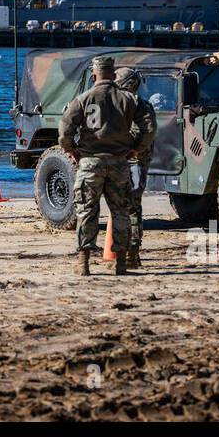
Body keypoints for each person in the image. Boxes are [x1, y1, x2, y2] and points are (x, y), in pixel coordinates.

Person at [60, 55, 155, 276]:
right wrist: (137, 148)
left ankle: (83, 263)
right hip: (120, 163)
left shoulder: (82, 99)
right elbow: (149, 127)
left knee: (86, 211)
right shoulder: (130, 100)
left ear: (94, 76)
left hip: (90, 162)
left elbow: (64, 132)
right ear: (113, 75)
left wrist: (73, 150)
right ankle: (121, 262)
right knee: (121, 211)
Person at [114, 66, 157, 269]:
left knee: (128, 207)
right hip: (132, 160)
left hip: (131, 161)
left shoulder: (118, 106)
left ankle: (130, 254)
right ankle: (130, 253)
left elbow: (147, 133)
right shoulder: (140, 105)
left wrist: (132, 150)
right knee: (130, 207)